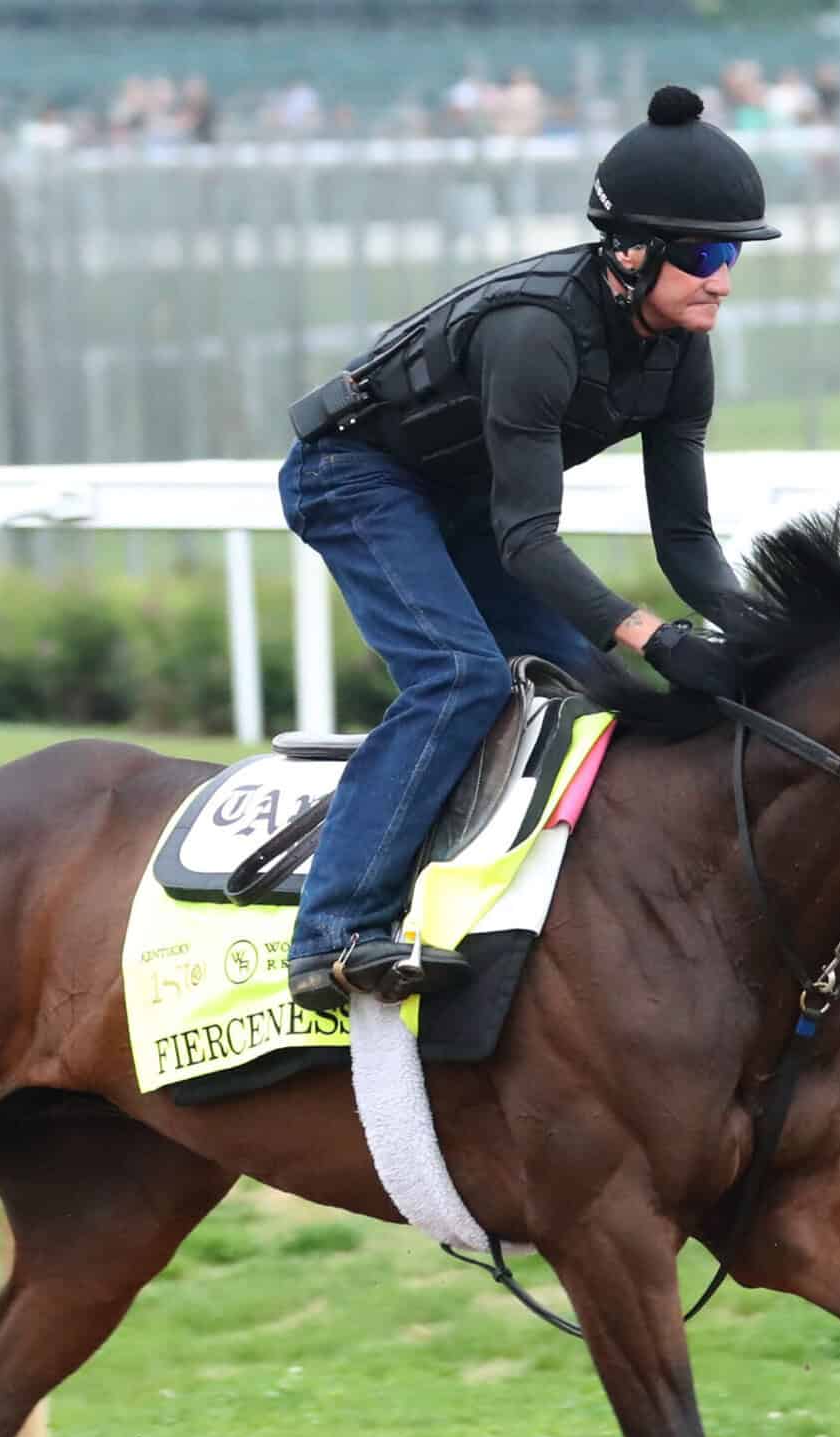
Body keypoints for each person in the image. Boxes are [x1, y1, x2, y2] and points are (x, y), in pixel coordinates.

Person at [275, 86, 774, 1012]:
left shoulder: (680, 353)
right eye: (705, 255)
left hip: (456, 496)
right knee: (461, 676)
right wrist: (657, 638)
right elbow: (528, 538)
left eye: (733, 254)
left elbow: (689, 541)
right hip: (353, 475)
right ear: (632, 251)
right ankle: (332, 936)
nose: (724, 280)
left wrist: (770, 636)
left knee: (585, 680)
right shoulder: (536, 331)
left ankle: (538, 911)